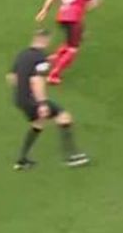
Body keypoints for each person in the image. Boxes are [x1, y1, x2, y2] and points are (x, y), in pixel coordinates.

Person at [7, 29, 89, 171]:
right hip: (34, 100)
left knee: (38, 123)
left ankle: (22, 160)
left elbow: (11, 77)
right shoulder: (40, 57)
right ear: (45, 40)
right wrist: (42, 103)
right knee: (64, 117)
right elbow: (37, 79)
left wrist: (22, 91)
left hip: (20, 99)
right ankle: (71, 156)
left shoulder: (23, 54)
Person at [35, 0, 100, 84]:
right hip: (74, 18)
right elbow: (92, 3)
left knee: (72, 41)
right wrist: (92, 2)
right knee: (73, 49)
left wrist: (44, 10)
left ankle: (51, 59)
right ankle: (54, 74)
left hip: (62, 16)